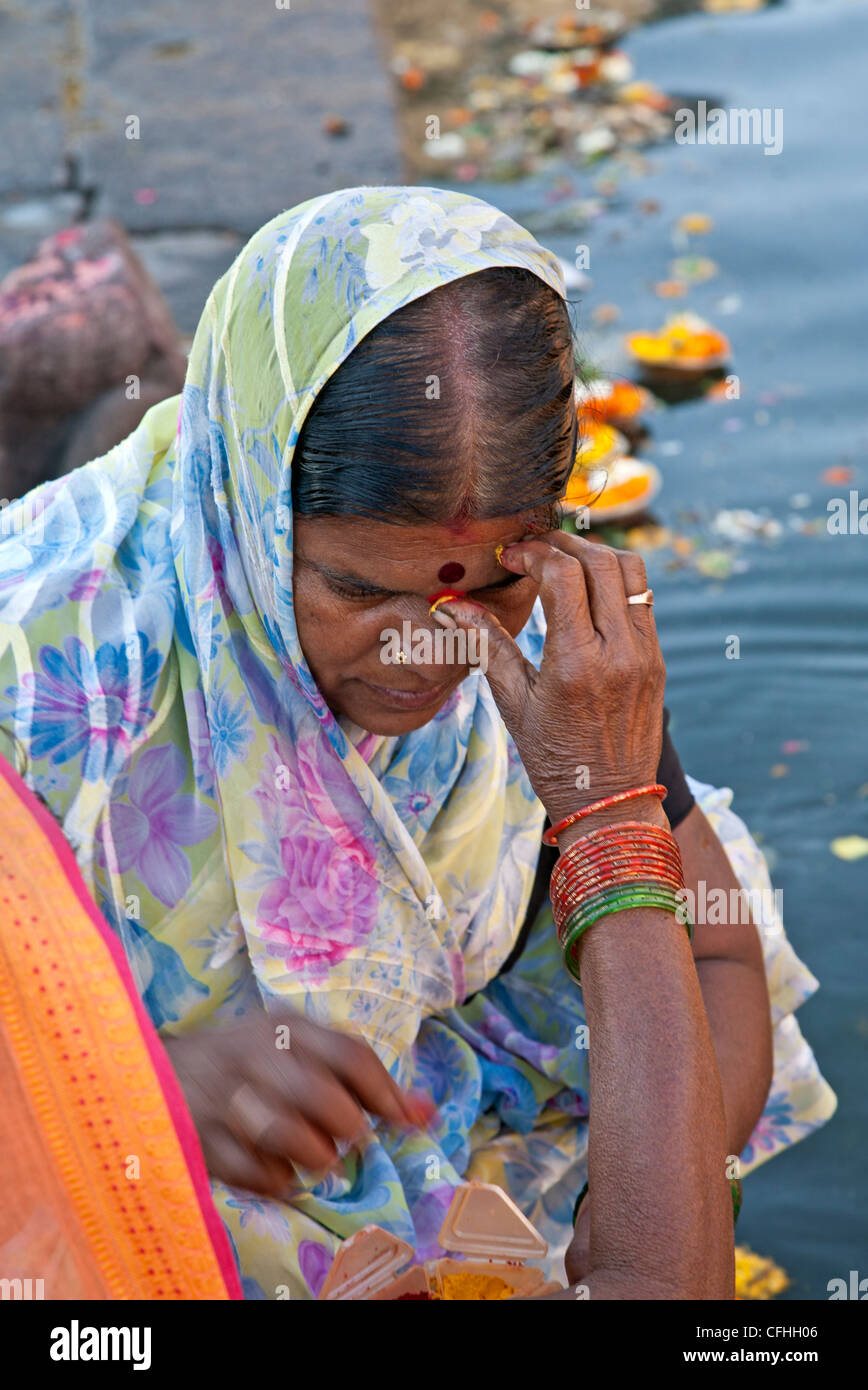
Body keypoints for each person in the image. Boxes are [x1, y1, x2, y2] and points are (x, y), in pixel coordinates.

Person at [0, 186, 835, 1300]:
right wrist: (124, 1087)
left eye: (487, 588)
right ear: (246, 505)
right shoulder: (41, 659)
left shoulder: (553, 660)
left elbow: (720, 954)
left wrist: (649, 1184)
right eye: (355, 588)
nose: (428, 651)